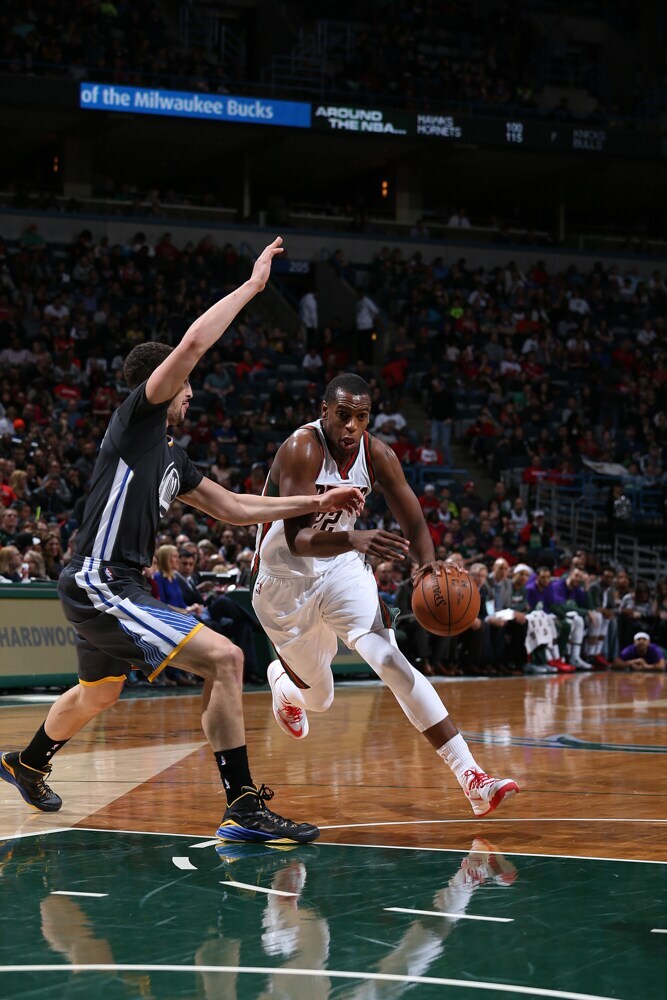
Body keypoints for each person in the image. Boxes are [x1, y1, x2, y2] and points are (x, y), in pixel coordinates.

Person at [0, 238, 364, 845]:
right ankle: (243, 805)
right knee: (225, 658)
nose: (193, 389)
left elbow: (238, 508)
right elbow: (193, 344)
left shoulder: (173, 457)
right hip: (100, 578)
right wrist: (252, 287)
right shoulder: (137, 418)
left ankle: (28, 762)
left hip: (114, 583)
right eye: (184, 381)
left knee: (100, 691)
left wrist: (317, 501)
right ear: (160, 383)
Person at [251, 373, 519, 819]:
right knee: (320, 699)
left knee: (390, 658)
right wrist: (356, 539)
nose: (352, 426)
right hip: (284, 580)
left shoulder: (377, 455)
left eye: (361, 416)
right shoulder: (302, 449)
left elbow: (413, 522)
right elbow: (297, 539)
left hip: (340, 569)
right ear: (325, 413)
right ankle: (282, 684)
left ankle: (472, 777)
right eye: (343, 415)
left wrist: (426, 565)